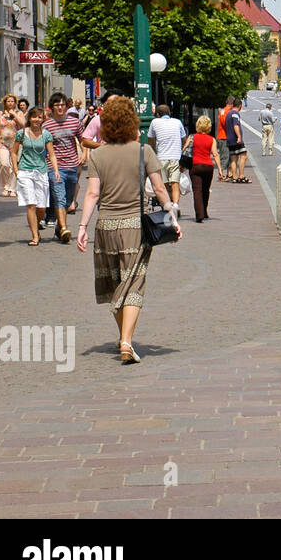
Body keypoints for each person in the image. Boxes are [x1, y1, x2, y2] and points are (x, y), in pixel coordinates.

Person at [75, 96, 180, 364]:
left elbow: (92, 194)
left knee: (114, 283)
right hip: (135, 226)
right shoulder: (143, 152)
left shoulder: (97, 155)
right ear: (132, 122)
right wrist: (172, 215)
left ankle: (124, 336)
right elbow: (159, 189)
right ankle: (126, 341)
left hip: (106, 227)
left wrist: (82, 227)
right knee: (134, 281)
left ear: (106, 125)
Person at [11, 107, 59, 245]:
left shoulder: (46, 135)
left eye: (39, 117)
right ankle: (35, 236)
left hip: (41, 171)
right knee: (31, 204)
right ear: (29, 118)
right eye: (34, 117)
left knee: (41, 207)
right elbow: (13, 152)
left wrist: (55, 170)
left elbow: (52, 154)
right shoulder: (21, 133)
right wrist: (16, 169)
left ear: (43, 119)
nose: (36, 119)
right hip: (25, 171)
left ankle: (36, 227)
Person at [42, 92, 83, 242]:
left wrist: (84, 153)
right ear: (52, 107)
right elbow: (44, 147)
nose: (60, 107)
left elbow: (82, 139)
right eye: (57, 105)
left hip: (72, 166)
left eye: (62, 105)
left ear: (66, 106)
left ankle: (60, 226)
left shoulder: (74, 122)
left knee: (68, 200)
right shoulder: (46, 126)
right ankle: (65, 228)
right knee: (60, 197)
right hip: (54, 167)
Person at [148, 104, 188, 213]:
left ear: (157, 114)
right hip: (175, 156)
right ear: (169, 113)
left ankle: (166, 204)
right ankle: (175, 204)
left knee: (164, 183)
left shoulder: (154, 122)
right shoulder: (177, 122)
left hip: (161, 157)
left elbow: (150, 141)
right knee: (175, 182)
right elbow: (184, 139)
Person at [187, 115, 220, 223]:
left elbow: (185, 150)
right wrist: (219, 169)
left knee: (197, 191)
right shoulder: (212, 139)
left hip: (195, 166)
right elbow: (215, 154)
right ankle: (204, 211)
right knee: (205, 190)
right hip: (208, 167)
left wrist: (182, 165)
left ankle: (199, 214)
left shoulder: (192, 137)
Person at [0, 94, 23, 197]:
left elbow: (24, 124)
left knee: (15, 165)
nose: (10, 103)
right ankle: (6, 185)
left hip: (16, 143)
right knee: (4, 164)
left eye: (12, 101)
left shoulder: (19, 113)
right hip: (2, 143)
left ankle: (12, 188)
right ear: (5, 103)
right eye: (8, 101)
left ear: (15, 103)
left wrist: (14, 115)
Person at [225, 99, 250, 183]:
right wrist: (239, 136)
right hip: (236, 139)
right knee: (243, 155)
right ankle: (241, 175)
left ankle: (234, 177)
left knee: (233, 158)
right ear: (240, 106)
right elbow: (236, 125)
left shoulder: (228, 114)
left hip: (229, 139)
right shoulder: (235, 114)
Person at [215, 98, 234, 181]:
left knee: (229, 157)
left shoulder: (225, 111)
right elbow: (225, 123)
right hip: (223, 137)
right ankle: (221, 174)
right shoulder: (225, 111)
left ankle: (228, 175)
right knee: (225, 157)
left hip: (226, 137)